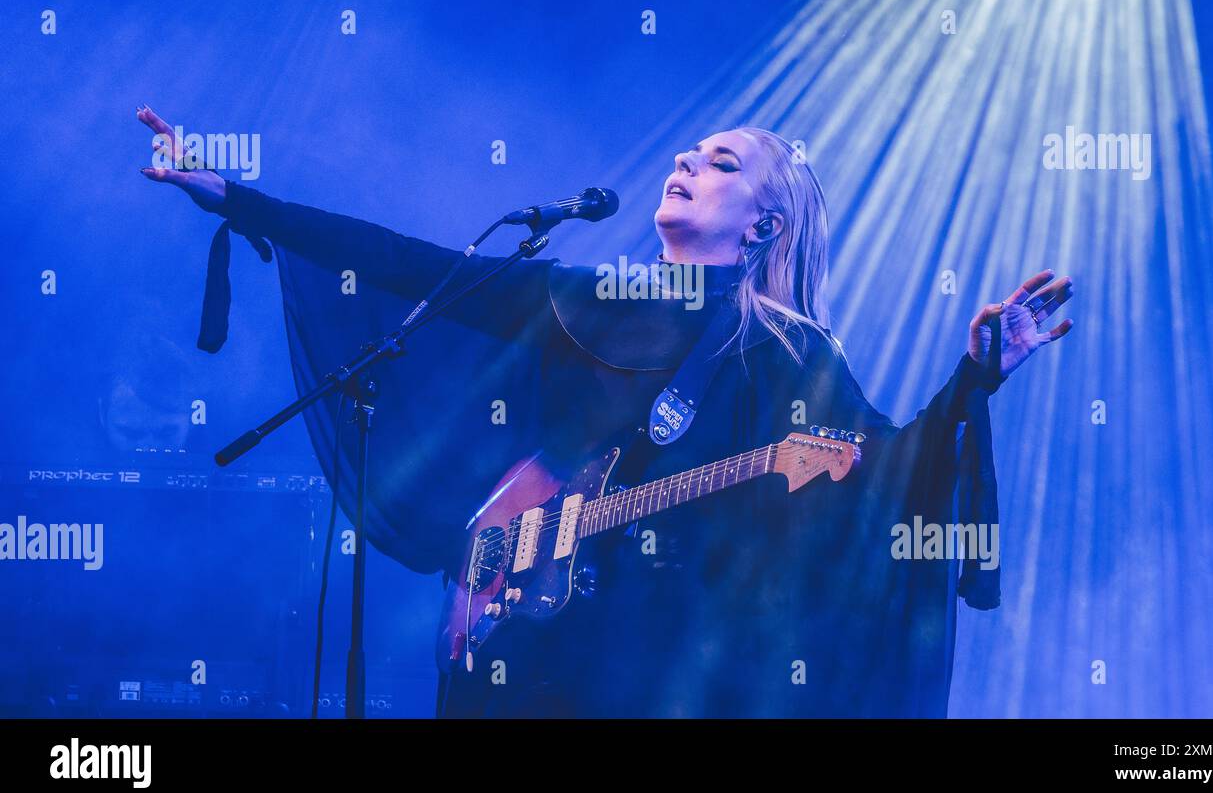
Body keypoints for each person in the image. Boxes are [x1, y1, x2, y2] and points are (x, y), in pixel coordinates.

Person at [136, 107, 1074, 717]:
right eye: (687, 150)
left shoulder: (786, 350)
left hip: (664, 673)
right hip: (533, 645)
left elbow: (885, 471)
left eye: (720, 162)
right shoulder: (592, 298)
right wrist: (234, 198)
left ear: (765, 225)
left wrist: (974, 379)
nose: (685, 162)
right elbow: (410, 263)